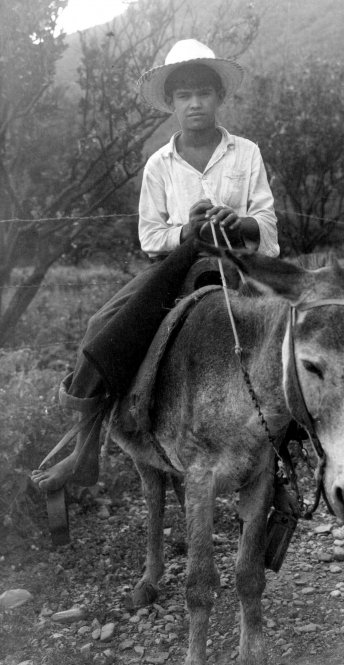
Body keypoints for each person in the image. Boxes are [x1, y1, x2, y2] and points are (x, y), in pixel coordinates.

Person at [31, 38, 279, 499]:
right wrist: (186, 232)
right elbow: (150, 237)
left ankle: (288, 457)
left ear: (219, 97)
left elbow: (266, 223)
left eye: (203, 93)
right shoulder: (158, 165)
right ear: (171, 103)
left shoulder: (246, 153)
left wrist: (237, 220)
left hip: (241, 266)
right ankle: (86, 446)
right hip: (178, 270)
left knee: (292, 335)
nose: (195, 103)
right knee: (103, 324)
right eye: (184, 95)